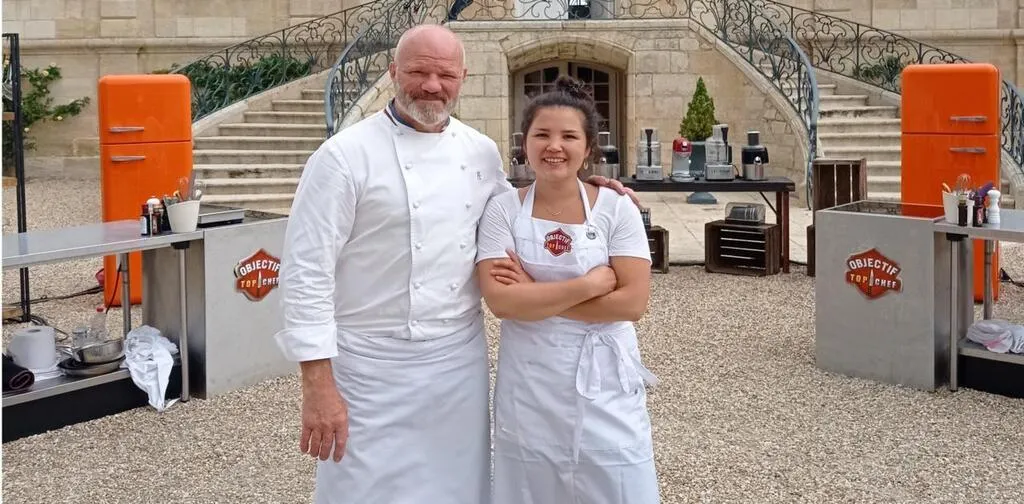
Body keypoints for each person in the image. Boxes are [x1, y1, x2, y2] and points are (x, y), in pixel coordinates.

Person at [273, 24, 638, 504]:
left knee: (456, 491)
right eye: (418, 72)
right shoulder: (343, 157)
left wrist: (595, 192)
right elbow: (306, 272)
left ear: (462, 77)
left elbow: (524, 207)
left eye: (444, 74)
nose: (431, 86)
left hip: (454, 368)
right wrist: (317, 384)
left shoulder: (478, 151)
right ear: (392, 72)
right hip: (367, 367)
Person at [475, 75, 661, 504]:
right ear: (525, 143)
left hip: (606, 387)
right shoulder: (503, 210)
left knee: (617, 481)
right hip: (531, 385)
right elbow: (501, 301)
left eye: (568, 136)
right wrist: (590, 285)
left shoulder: (616, 209)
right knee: (532, 486)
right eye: (542, 134)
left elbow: (632, 303)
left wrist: (535, 297)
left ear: (589, 148)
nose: (553, 146)